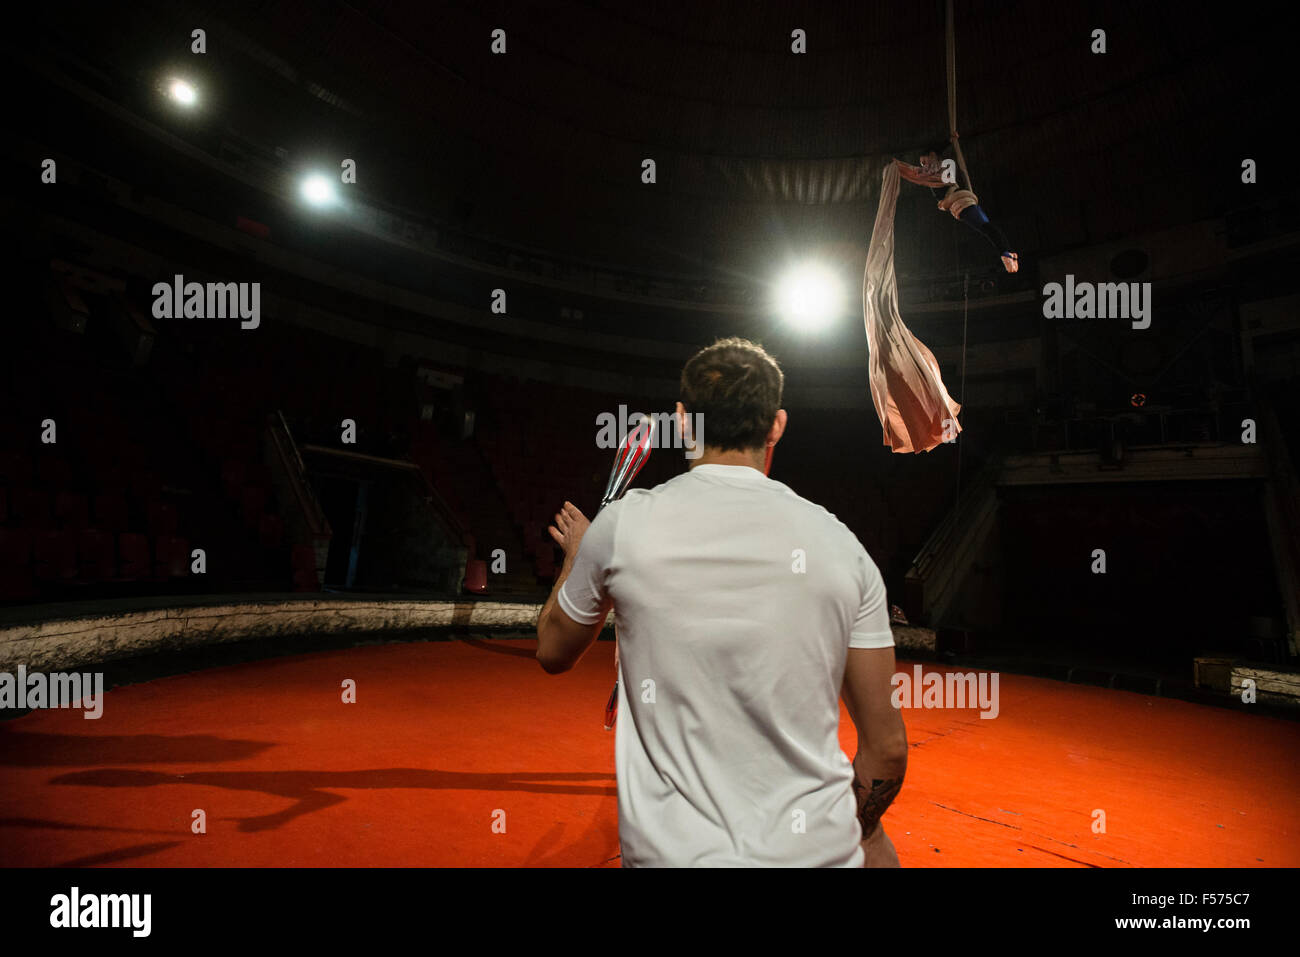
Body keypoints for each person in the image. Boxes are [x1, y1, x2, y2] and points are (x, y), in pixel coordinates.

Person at [535, 337, 908, 867]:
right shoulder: (843, 547)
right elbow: (887, 749)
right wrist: (855, 828)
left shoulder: (624, 527)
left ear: (683, 422)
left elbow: (553, 651)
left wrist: (576, 555)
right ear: (776, 424)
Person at [895, 150, 1019, 273]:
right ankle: (1007, 251)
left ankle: (1005, 253)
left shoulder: (944, 165)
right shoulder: (938, 171)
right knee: (987, 227)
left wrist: (897, 165)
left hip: (960, 201)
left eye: (924, 161)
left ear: (932, 155)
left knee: (986, 227)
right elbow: (919, 174)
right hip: (961, 201)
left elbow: (917, 173)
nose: (924, 165)